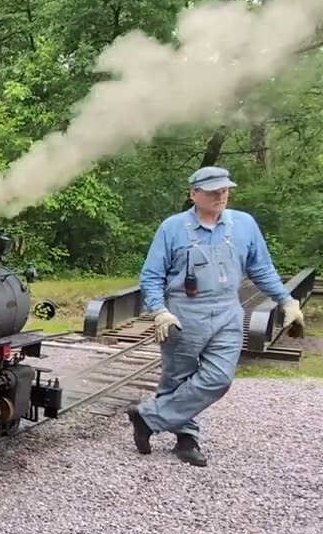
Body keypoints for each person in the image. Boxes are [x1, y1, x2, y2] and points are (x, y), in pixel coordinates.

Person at [128, 166, 304, 467]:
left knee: (219, 378)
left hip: (227, 312)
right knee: (176, 377)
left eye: (224, 189)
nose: (220, 195)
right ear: (194, 194)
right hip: (184, 312)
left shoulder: (245, 225)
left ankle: (148, 417)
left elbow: (261, 268)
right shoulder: (172, 228)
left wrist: (286, 300)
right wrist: (159, 310)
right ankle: (187, 440)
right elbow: (152, 275)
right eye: (212, 190)